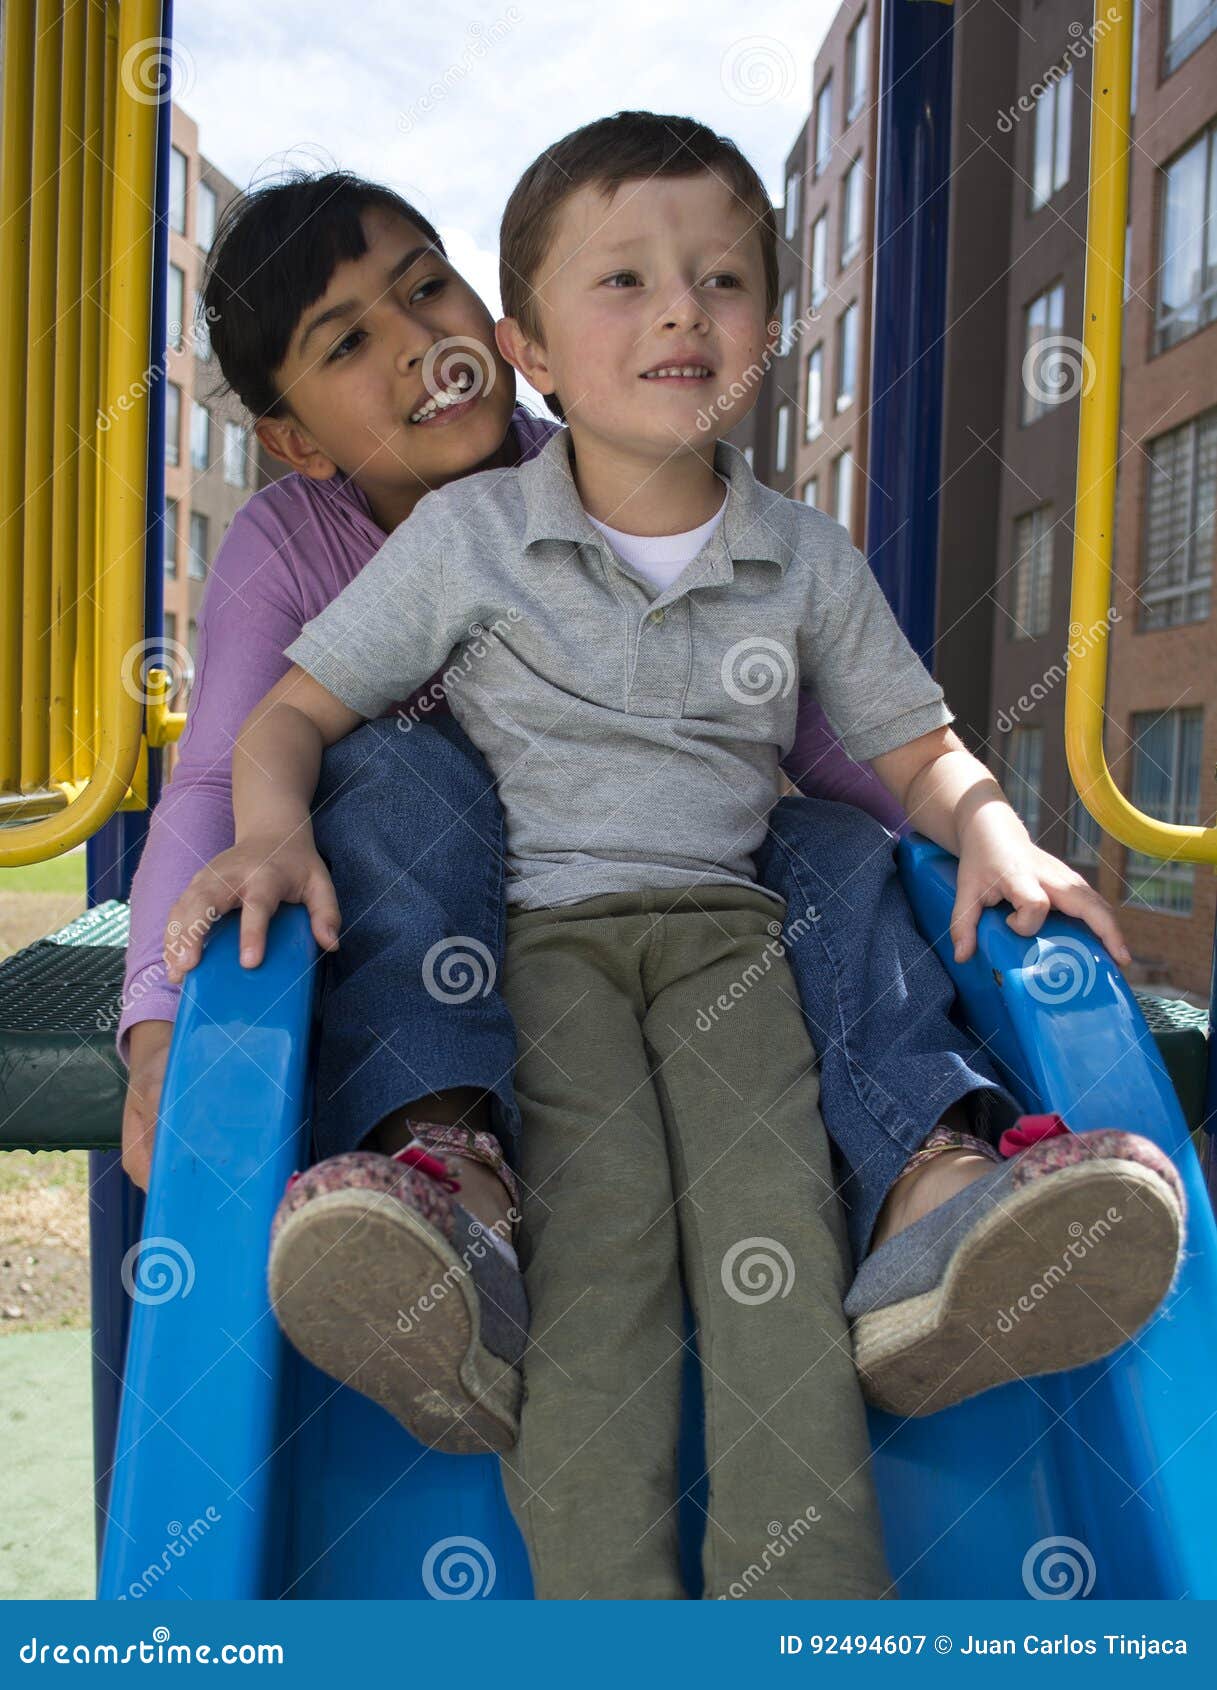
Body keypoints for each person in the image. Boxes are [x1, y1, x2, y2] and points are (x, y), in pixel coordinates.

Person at [159, 114, 1185, 1599]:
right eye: (624, 284)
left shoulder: (801, 555)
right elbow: (286, 722)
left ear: (769, 325)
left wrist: (992, 826)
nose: (679, 314)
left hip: (730, 939)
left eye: (719, 281)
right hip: (542, 941)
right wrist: (257, 843)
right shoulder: (466, 540)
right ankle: (605, 1614)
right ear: (535, 348)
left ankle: (812, 1595)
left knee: (767, 1245)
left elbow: (904, 752)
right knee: (605, 1263)